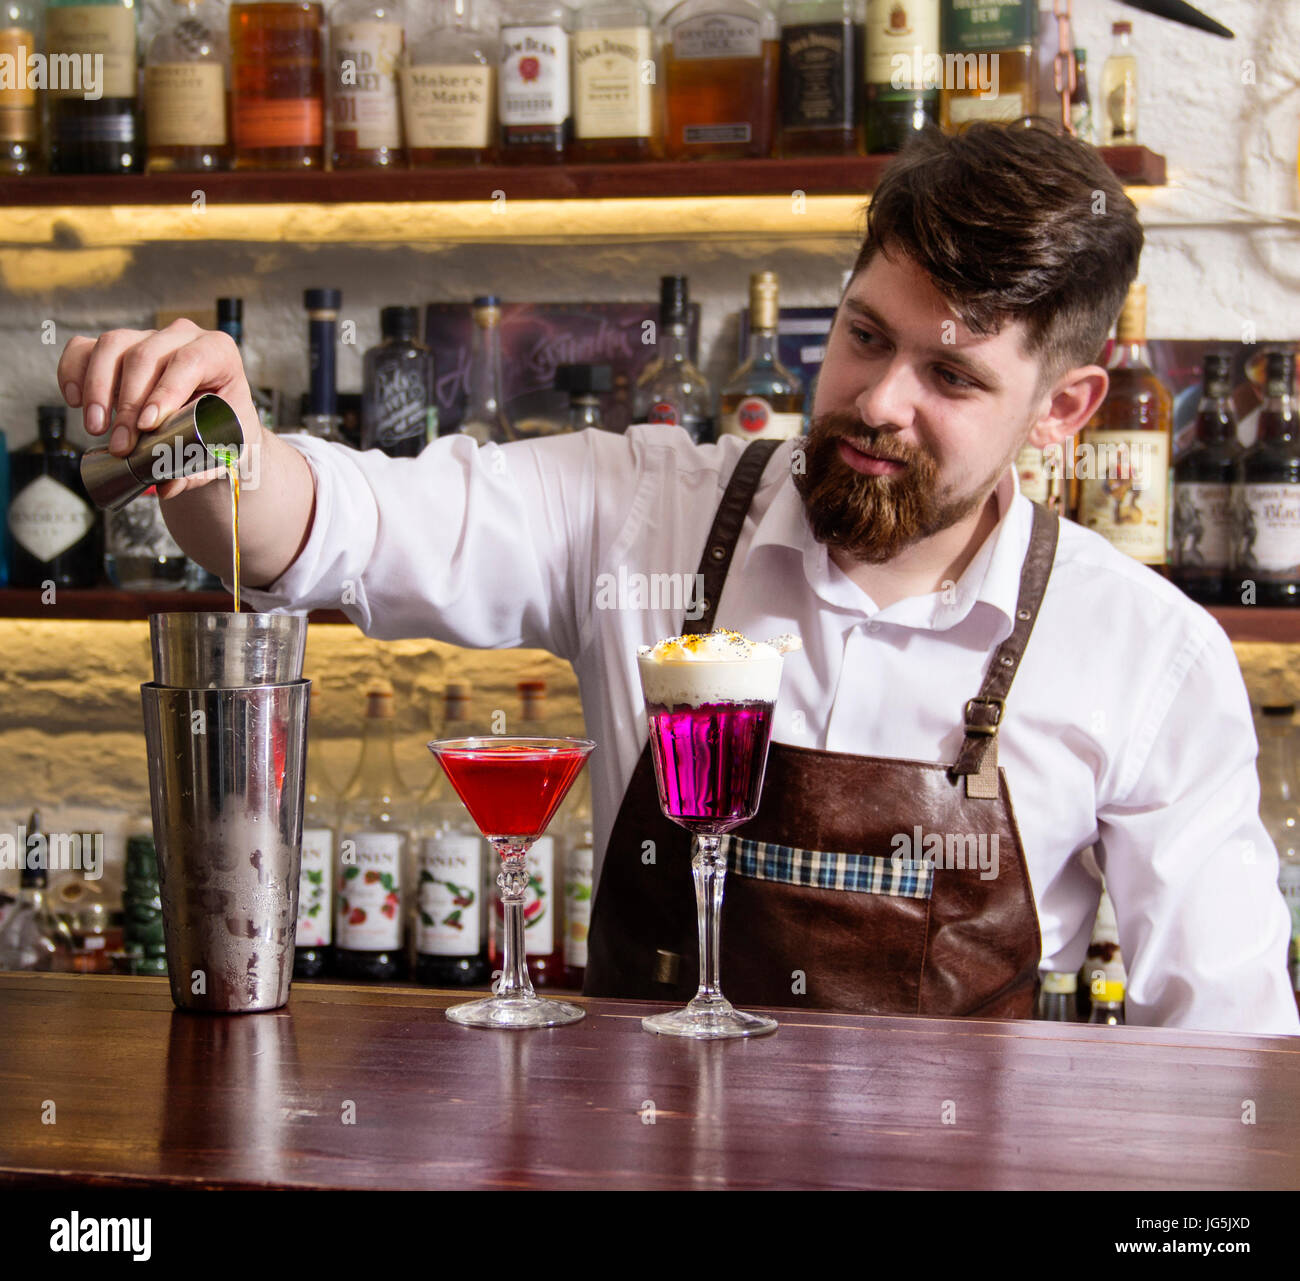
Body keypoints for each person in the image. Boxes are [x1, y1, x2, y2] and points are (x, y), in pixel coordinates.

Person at [58, 121, 1298, 1034]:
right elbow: (324, 526)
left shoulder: (1148, 656)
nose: (876, 401)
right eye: (864, 335)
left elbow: (1226, 1059)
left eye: (952, 378)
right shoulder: (639, 509)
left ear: (1064, 407)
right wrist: (209, 435)